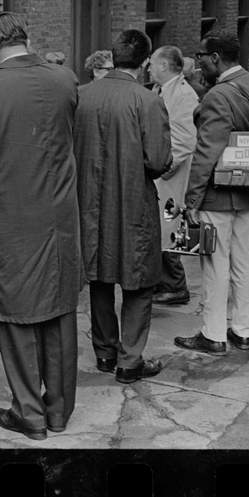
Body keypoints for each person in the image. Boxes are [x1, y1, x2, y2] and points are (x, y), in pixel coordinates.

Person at [0, 13, 81, 440]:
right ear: (28, 39)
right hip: (59, 215)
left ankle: (30, 414)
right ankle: (58, 413)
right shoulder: (65, 79)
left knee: (15, 314)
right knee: (59, 312)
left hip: (7, 219)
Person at [73, 29, 172, 385]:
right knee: (139, 281)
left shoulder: (83, 96)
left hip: (90, 204)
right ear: (145, 63)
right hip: (133, 204)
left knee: (99, 277)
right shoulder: (146, 100)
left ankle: (105, 352)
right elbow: (159, 160)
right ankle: (129, 361)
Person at [174, 29, 249, 356]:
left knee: (215, 263)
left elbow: (206, 152)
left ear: (215, 58)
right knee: (245, 260)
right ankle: (243, 331)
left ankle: (213, 335)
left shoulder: (217, 95)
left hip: (217, 193)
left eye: (200, 55)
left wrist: (191, 200)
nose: (197, 61)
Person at [147, 45, 200, 305]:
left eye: (152, 64)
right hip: (164, 175)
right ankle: (165, 283)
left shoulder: (182, 95)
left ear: (164, 67)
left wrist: (162, 170)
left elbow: (184, 141)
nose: (148, 68)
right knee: (162, 228)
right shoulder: (164, 90)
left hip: (170, 177)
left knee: (169, 227)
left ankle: (175, 286)